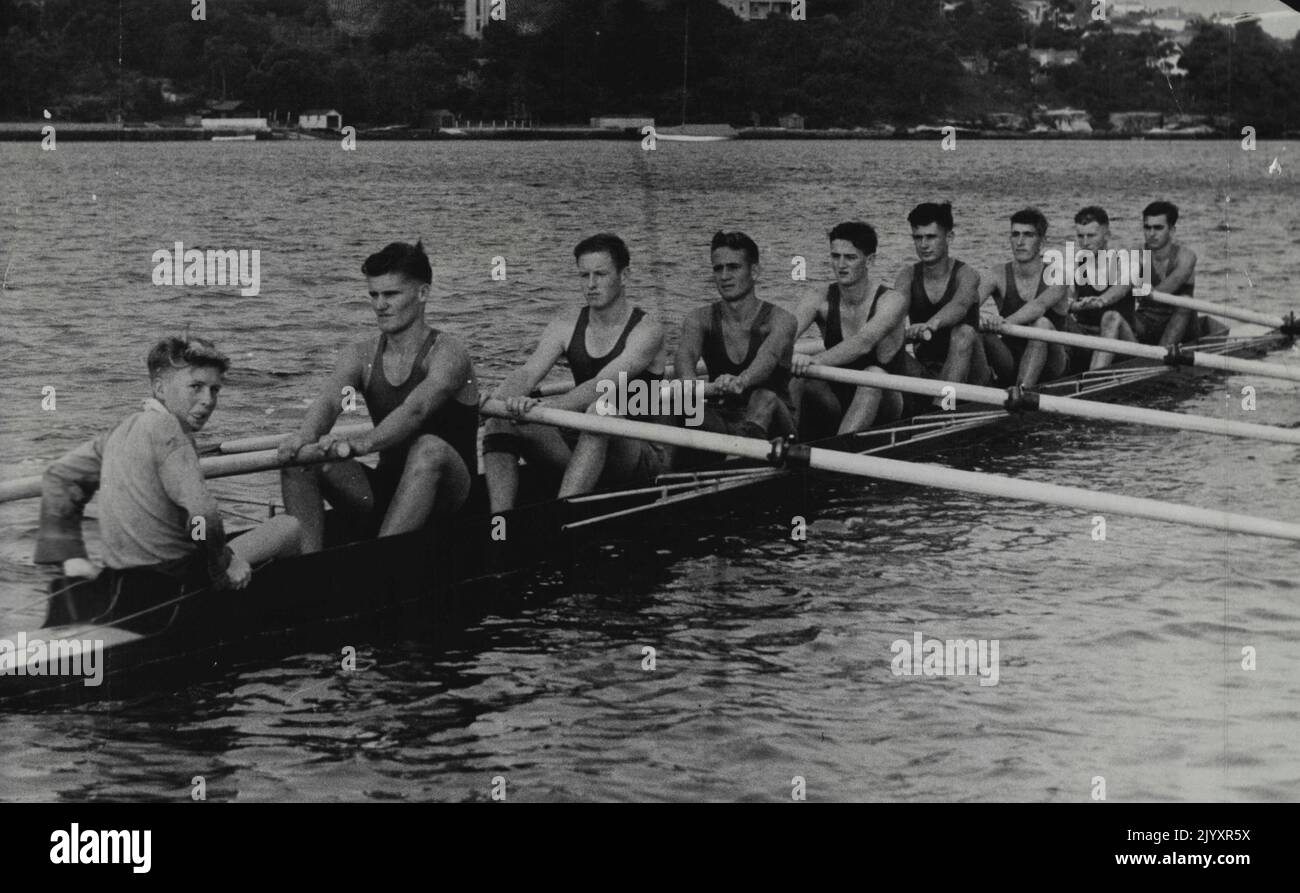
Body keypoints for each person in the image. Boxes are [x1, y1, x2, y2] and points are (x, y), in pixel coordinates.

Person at [34, 336, 302, 589]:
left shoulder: (123, 428)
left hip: (122, 574)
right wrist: (224, 565)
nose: (208, 401)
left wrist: (71, 555)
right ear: (160, 387)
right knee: (288, 527)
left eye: (215, 389)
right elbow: (204, 514)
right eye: (195, 387)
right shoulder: (172, 433)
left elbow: (60, 477)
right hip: (173, 579)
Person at [278, 241, 479, 552]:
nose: (379, 305)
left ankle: (380, 562)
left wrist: (364, 443)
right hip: (389, 487)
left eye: (391, 294)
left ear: (422, 294)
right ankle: (307, 565)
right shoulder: (360, 355)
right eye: (374, 294)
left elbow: (416, 409)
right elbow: (332, 401)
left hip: (451, 494)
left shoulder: (448, 352)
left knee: (428, 449)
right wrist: (304, 437)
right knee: (301, 460)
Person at [482, 233, 669, 512]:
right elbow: (528, 373)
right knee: (500, 422)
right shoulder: (566, 323)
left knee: (601, 409)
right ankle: (500, 522)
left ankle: (562, 517)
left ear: (624, 275)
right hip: (581, 441)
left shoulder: (648, 329)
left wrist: (545, 409)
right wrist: (498, 403)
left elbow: (602, 384)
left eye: (601, 274)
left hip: (637, 454)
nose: (591, 285)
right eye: (584, 276)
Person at [674, 230, 798, 442]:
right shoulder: (698, 319)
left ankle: (731, 463)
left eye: (733, 267)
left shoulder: (782, 319)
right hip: (724, 418)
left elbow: (768, 357)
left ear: (755, 271)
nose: (724, 276)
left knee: (763, 397)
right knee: (675, 405)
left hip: (777, 424)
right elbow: (684, 363)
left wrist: (741, 381)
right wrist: (689, 385)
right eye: (718, 268)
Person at [790, 221, 908, 437]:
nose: (841, 265)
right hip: (836, 399)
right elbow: (783, 337)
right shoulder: (818, 296)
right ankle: (785, 441)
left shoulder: (892, 300)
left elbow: (863, 343)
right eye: (835, 256)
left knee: (872, 375)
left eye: (850, 257)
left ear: (870, 260)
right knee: (796, 375)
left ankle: (839, 453)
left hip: (885, 402)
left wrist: (814, 360)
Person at [894, 202, 991, 390]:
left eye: (931, 237)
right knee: (885, 347)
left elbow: (960, 305)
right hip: (929, 372)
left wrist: (930, 325)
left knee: (964, 332)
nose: (923, 245)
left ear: (949, 237)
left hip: (973, 377)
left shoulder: (967, 274)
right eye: (918, 238)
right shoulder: (907, 276)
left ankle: (943, 408)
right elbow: (893, 317)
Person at [978, 208, 1074, 388]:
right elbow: (967, 306)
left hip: (1053, 365)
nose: (1020, 242)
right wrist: (983, 321)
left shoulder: (1058, 276)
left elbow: (1037, 307)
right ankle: (968, 394)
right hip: (1010, 359)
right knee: (975, 331)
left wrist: (1002, 323)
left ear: (1042, 241)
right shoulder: (996, 274)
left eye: (1028, 235)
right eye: (1015, 234)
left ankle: (1022, 391)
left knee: (1041, 324)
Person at [1067, 205, 1138, 370]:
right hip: (1089, 339)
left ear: (1107, 235)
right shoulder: (1075, 266)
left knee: (1111, 317)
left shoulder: (1128, 262)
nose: (1085, 242)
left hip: (1124, 343)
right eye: (1080, 236)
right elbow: (1066, 298)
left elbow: (1121, 287)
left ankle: (1093, 378)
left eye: (1091, 236)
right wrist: (1074, 305)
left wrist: (1101, 300)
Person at [1133, 200, 1198, 347]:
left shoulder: (1186, 257)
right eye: (1147, 227)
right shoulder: (1136, 254)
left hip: (1182, 329)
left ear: (1172, 230)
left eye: (1158, 228)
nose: (1151, 234)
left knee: (1185, 301)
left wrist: (1140, 290)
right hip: (1147, 324)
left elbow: (1170, 286)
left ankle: (1161, 356)